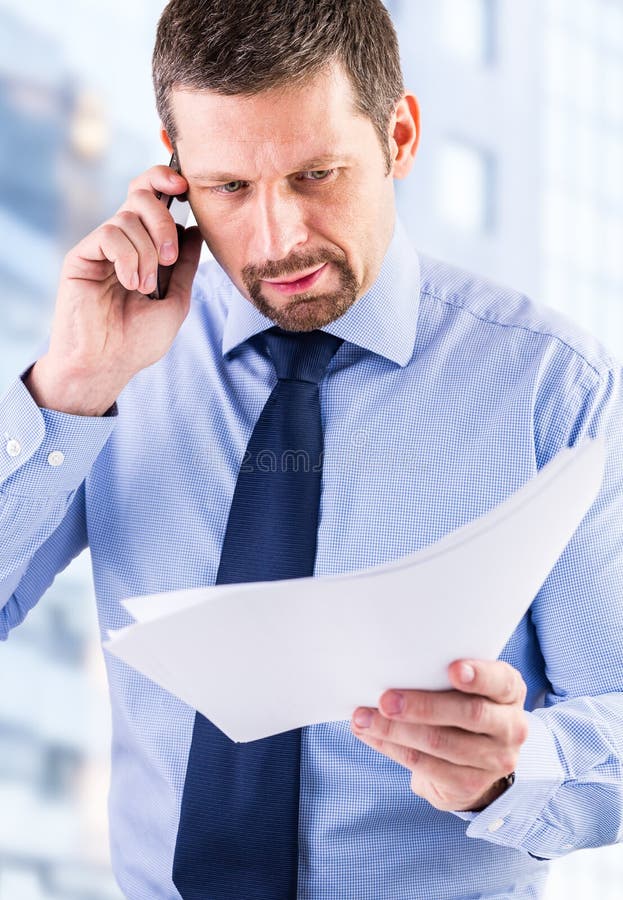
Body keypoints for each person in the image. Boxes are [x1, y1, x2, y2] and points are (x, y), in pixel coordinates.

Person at [1, 0, 622, 897]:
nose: (278, 239)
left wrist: (514, 768)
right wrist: (71, 387)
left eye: (316, 174)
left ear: (398, 136)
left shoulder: (548, 385)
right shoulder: (113, 362)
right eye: (228, 189)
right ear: (172, 179)